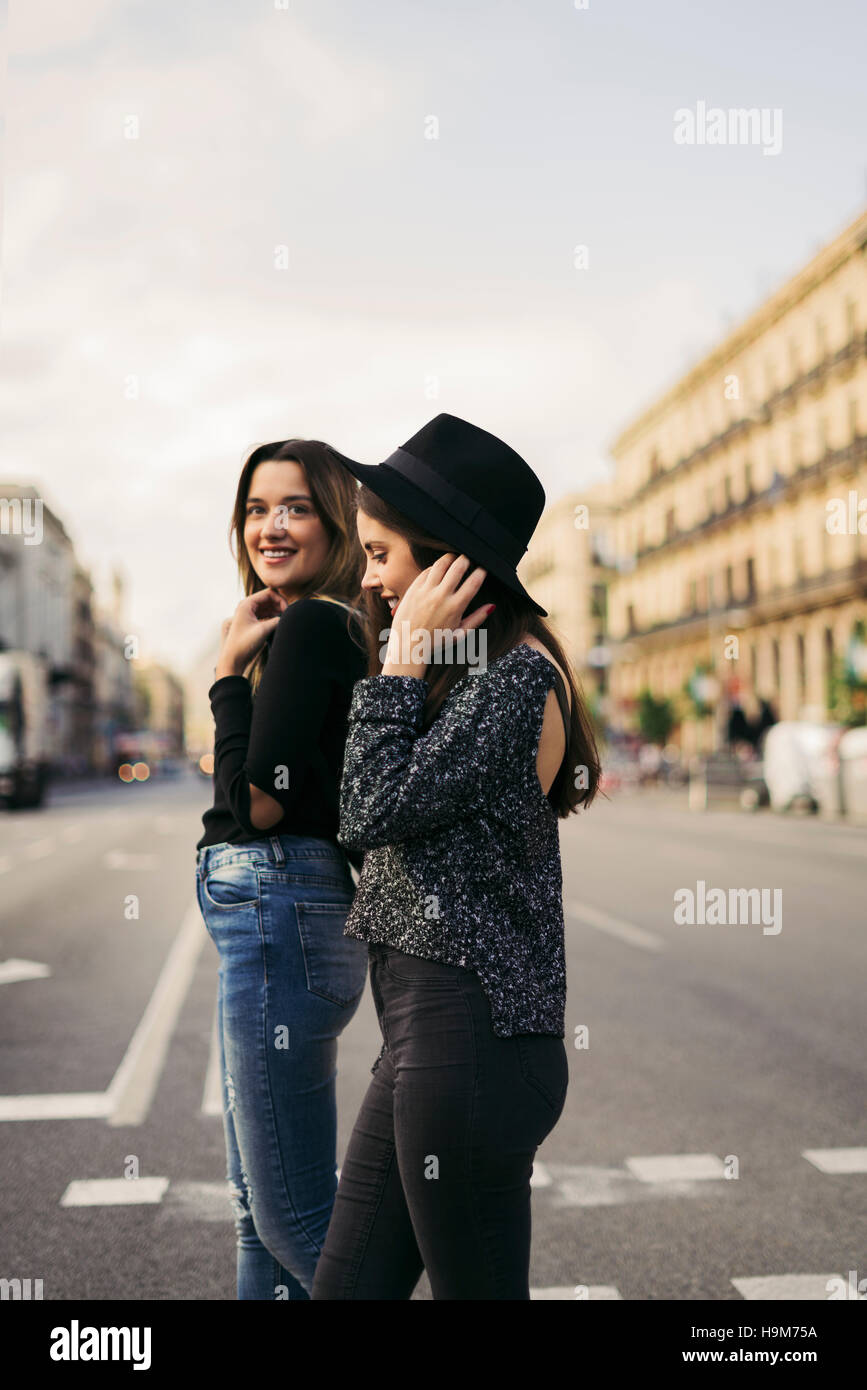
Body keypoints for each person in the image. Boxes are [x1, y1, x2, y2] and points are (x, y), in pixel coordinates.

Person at [311, 413, 601, 1300]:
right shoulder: (470, 674)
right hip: (423, 1033)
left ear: (446, 560)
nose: (368, 578)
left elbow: (366, 811)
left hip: (471, 1034)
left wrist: (398, 666)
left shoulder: (515, 680)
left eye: (381, 555)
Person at [194, 439, 369, 1300]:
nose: (270, 525)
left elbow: (256, 803)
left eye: (295, 507)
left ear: (334, 521)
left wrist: (227, 677)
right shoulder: (322, 626)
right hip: (294, 912)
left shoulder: (309, 625)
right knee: (259, 1213)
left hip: (280, 905)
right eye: (256, 509)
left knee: (290, 1217)